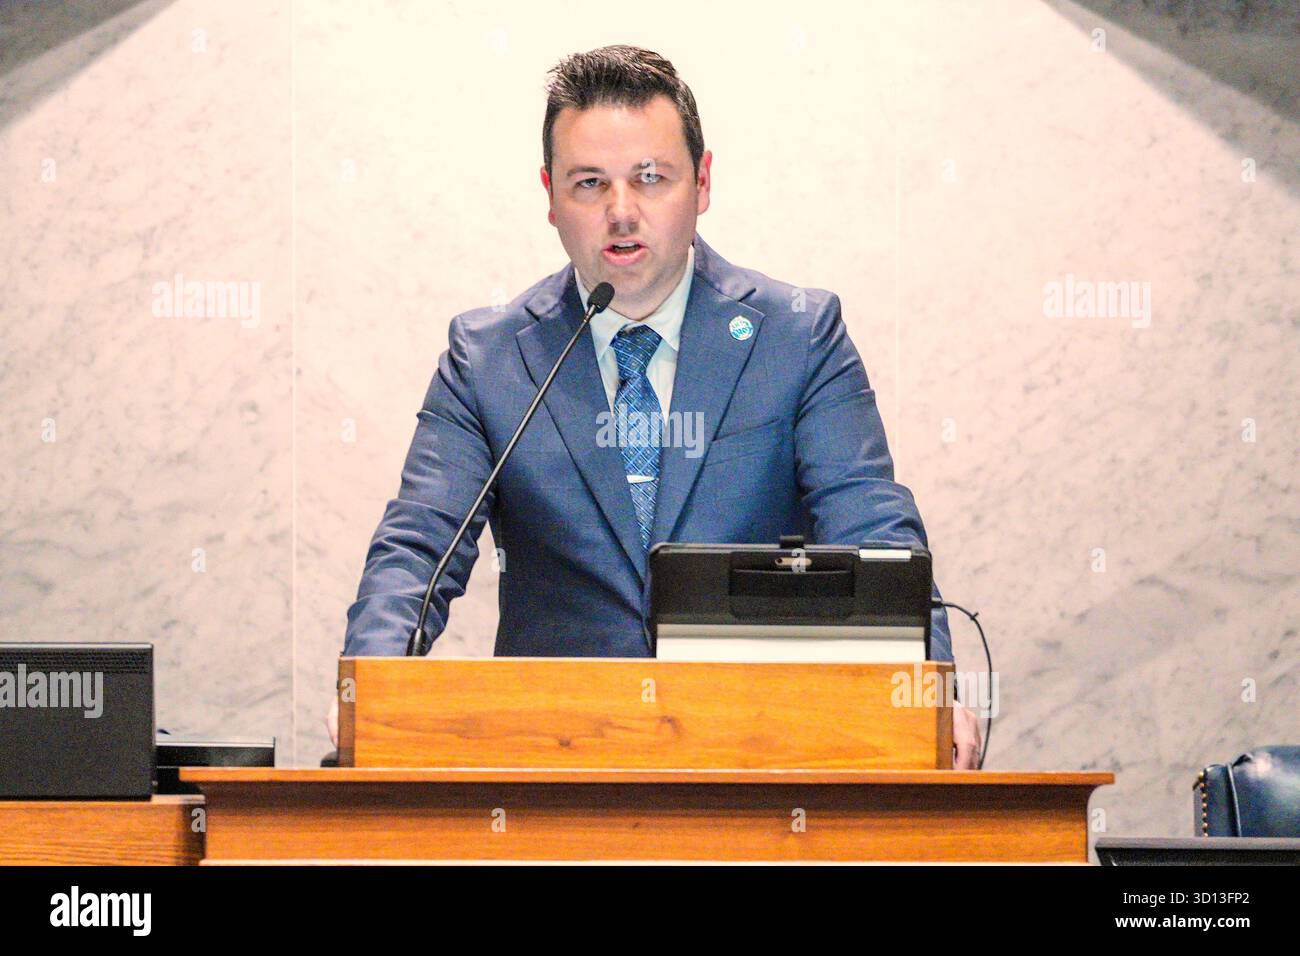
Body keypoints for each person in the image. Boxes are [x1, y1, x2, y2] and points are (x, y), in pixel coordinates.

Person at [335, 45, 981, 767]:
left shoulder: (798, 337)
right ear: (549, 196)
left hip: (761, 761)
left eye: (651, 178)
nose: (621, 212)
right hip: (554, 767)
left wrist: (929, 688)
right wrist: (370, 692)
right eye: (589, 184)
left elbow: (874, 531)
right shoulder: (487, 358)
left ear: (701, 183)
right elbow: (419, 548)